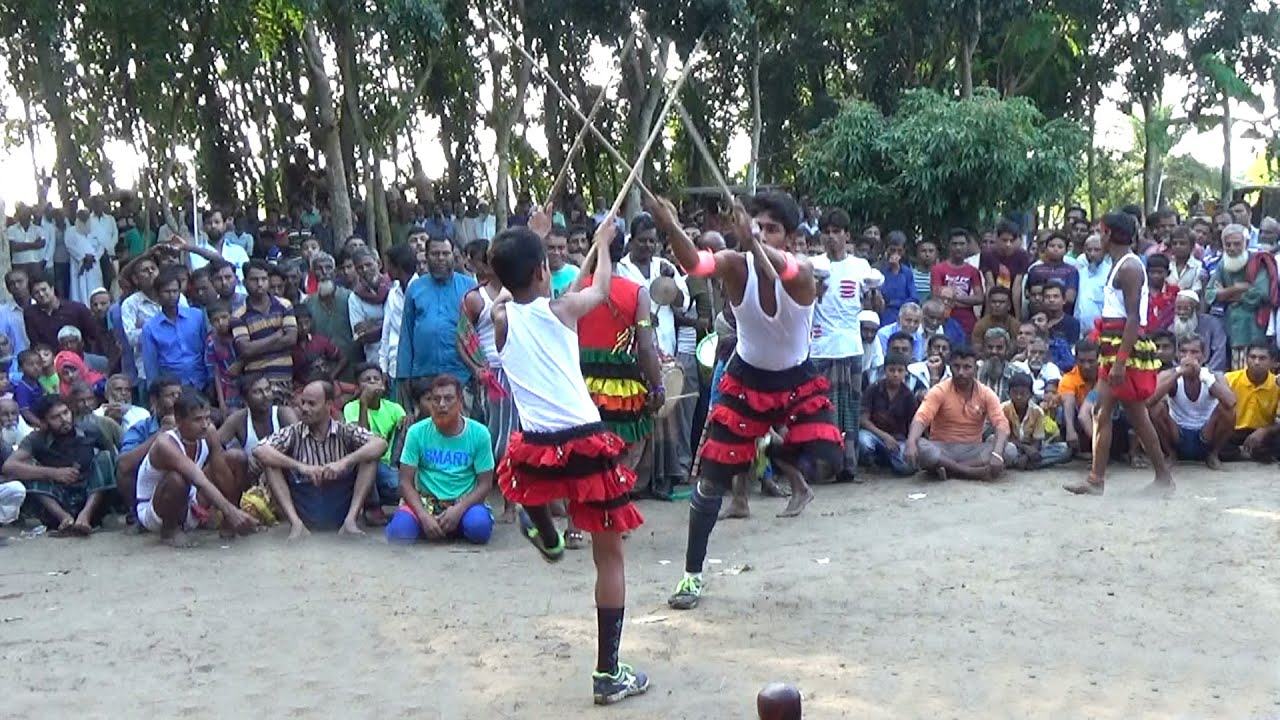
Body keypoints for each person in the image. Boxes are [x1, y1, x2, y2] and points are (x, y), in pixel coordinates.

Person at [489, 213, 650, 705]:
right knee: (610, 557)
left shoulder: (500, 320)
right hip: (584, 441)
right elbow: (601, 288)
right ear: (543, 270)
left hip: (536, 445)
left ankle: (546, 532)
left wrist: (532, 240)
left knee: (523, 479)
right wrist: (602, 244)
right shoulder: (563, 309)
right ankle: (608, 672)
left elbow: (504, 291)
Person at [657, 190, 842, 612]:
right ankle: (691, 576)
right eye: (757, 225)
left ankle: (765, 445)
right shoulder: (734, 265)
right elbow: (696, 265)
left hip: (796, 381)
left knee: (829, 458)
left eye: (771, 229)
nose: (760, 233)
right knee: (710, 484)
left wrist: (754, 241)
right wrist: (670, 226)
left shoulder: (803, 270)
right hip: (746, 378)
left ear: (789, 238)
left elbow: (783, 269)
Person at [1064, 212, 1172, 495]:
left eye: (1100, 231)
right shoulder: (1121, 264)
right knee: (1106, 412)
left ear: (1109, 233)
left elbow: (1134, 318)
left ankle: (1159, 478)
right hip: (1114, 347)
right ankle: (1098, 479)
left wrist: (1121, 362)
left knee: (1131, 414)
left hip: (1124, 350)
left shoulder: (1130, 267)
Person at [252, 380, 387, 540]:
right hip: (305, 506)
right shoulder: (293, 432)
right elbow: (260, 450)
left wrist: (344, 462)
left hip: (340, 505)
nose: (304, 408)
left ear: (328, 405)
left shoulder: (345, 431)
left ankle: (350, 521)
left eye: (311, 404)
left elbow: (380, 444)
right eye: (303, 402)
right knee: (271, 463)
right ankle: (296, 524)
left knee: (369, 458)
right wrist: (301, 467)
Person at [809, 208, 883, 481]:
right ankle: (823, 466)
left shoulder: (861, 267)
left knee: (850, 407)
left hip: (851, 345)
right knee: (821, 407)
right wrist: (814, 291)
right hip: (820, 347)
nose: (831, 237)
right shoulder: (812, 265)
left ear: (846, 235)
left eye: (836, 232)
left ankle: (848, 466)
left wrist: (874, 295)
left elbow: (875, 306)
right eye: (826, 232)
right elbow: (802, 303)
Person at [134, 389, 258, 546]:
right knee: (177, 478)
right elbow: (198, 478)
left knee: (236, 458)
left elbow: (220, 473)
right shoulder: (164, 444)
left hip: (190, 499)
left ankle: (229, 525)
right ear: (178, 420)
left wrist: (232, 511)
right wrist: (230, 511)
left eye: (207, 418)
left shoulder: (209, 432)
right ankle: (169, 532)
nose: (205, 425)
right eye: (198, 419)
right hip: (155, 513)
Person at [385, 374, 494, 545]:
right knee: (399, 533)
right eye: (436, 399)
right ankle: (437, 526)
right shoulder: (416, 432)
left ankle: (452, 525)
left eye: (448, 399)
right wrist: (423, 516)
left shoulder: (479, 433)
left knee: (478, 528)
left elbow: (485, 484)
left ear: (460, 402)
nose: (442, 404)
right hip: (426, 502)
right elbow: (405, 482)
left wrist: (458, 510)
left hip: (464, 503)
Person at [3, 394, 116, 535]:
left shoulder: (90, 430)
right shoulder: (36, 439)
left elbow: (114, 459)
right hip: (57, 498)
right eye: (56, 417)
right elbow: (9, 466)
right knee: (30, 469)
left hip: (89, 495)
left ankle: (85, 517)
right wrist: (53, 473)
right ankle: (64, 518)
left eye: (65, 413)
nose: (64, 419)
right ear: (44, 422)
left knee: (105, 457)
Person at [905, 348, 1015, 480]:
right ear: (950, 368)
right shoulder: (939, 390)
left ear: (976, 369)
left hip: (973, 450)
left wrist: (996, 454)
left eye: (967, 367)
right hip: (942, 448)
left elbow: (1001, 424)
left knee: (1009, 449)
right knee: (920, 445)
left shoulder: (986, 394)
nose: (961, 372)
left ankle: (949, 470)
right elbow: (921, 417)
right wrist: (911, 442)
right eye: (956, 367)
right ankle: (971, 472)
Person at [397, 237, 477, 391]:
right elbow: (406, 334)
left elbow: (478, 330)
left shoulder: (469, 286)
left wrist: (477, 370)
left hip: (461, 375)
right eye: (435, 254)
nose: (441, 258)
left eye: (445, 253)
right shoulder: (415, 288)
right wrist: (404, 375)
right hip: (423, 376)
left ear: (453, 255)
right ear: (426, 256)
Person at [1148, 336, 1236, 470]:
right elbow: (1150, 401)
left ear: (1204, 356)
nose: (1188, 357)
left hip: (1206, 432)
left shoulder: (1215, 375)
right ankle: (1170, 454)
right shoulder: (1168, 374)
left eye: (1194, 352)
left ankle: (1213, 455)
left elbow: (1231, 402)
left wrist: (1204, 377)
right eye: (1183, 352)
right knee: (1157, 408)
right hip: (1177, 433)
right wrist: (1178, 374)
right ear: (1177, 355)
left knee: (1228, 411)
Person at [342, 363, 406, 520]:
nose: (372, 382)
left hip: (388, 466)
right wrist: (363, 404)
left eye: (376, 379)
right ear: (358, 387)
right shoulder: (351, 407)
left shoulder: (395, 408)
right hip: (362, 465)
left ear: (383, 383)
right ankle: (372, 507)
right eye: (367, 380)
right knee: (368, 457)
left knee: (396, 485)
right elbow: (361, 439)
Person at [1205, 224, 1270, 369]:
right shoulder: (1223, 264)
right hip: (1230, 327)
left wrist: (1225, 293)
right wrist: (1236, 288)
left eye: (1237, 244)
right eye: (1228, 245)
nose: (1232, 248)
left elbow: (1261, 293)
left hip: (1253, 326)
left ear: (1247, 243)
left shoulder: (1258, 261)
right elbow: (1209, 294)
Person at [232, 260, 297, 402]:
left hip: (283, 379)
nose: (260, 284)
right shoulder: (238, 316)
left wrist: (256, 345)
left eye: (264, 279)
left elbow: (291, 339)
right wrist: (276, 336)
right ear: (245, 282)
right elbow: (246, 350)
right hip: (255, 383)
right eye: (254, 280)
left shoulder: (284, 305)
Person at [141, 265, 210, 392]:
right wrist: (155, 393)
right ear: (157, 295)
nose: (172, 295)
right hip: (172, 388)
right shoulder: (150, 328)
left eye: (175, 291)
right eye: (167, 292)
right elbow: (151, 366)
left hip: (201, 382)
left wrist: (211, 380)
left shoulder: (197, 316)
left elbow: (207, 350)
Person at [858, 352, 918, 475]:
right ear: (885, 371)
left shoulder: (908, 395)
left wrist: (910, 443)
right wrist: (885, 436)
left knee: (906, 467)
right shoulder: (873, 389)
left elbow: (914, 423)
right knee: (862, 441)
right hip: (875, 436)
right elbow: (863, 419)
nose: (896, 374)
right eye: (892, 370)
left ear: (906, 373)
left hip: (898, 440)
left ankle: (887, 461)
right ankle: (872, 462)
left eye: (900, 370)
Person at [24, 272, 108, 358]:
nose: (41, 294)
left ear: (52, 288)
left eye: (44, 289)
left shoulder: (77, 309)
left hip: (78, 360)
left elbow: (94, 336)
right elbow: (35, 343)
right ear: (32, 296)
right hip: (48, 361)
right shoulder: (30, 314)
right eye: (36, 292)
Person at [304, 252, 359, 380]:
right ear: (313, 273)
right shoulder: (308, 303)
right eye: (319, 268)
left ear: (335, 271)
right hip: (323, 371)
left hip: (353, 366)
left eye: (328, 267)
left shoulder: (350, 298)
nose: (324, 272)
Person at [1223, 342, 1280, 462]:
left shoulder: (1277, 384)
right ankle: (1251, 454)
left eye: (1262, 358)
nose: (1256, 362)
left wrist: (1264, 431)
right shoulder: (1229, 379)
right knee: (1215, 442)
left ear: (1272, 362)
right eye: (1252, 357)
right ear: (1246, 359)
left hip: (1262, 432)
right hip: (1233, 431)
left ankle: (1246, 453)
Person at [1003, 372, 1070, 469]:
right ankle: (1026, 463)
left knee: (1064, 449)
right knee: (1005, 448)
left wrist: (1029, 454)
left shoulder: (1037, 412)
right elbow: (1005, 437)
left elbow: (1037, 440)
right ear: (1008, 393)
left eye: (1023, 393)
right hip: (1013, 447)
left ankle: (1023, 462)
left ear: (1031, 394)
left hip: (1031, 447)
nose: (1018, 397)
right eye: (1014, 393)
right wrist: (1025, 448)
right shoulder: (1003, 409)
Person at [931, 228, 985, 336]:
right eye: (954, 244)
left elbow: (979, 298)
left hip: (968, 322)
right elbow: (937, 296)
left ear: (968, 245)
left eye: (962, 244)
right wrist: (966, 301)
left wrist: (953, 298)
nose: (958, 247)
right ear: (948, 246)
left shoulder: (973, 271)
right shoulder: (938, 269)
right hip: (944, 321)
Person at [379, 243, 418, 381]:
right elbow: (386, 330)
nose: (386, 270)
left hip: (418, 367)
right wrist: (383, 367)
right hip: (394, 367)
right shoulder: (393, 293)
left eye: (389, 265)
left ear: (398, 267)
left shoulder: (421, 291)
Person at [981, 220, 1034, 317]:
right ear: (996, 238)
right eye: (1004, 240)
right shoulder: (987, 255)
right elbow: (990, 284)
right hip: (993, 301)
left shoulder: (1022, 256)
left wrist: (1017, 316)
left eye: (1011, 241)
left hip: (1011, 302)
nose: (1008, 244)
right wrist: (987, 315)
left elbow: (1017, 287)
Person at [1171, 290, 1227, 372]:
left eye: (1186, 309)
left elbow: (1219, 353)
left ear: (1196, 309)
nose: (1182, 312)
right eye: (1178, 308)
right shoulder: (1172, 328)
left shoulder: (1212, 323)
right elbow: (1171, 356)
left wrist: (1206, 372)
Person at [347, 249, 385, 365]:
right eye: (360, 268)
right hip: (375, 359)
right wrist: (387, 324)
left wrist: (372, 325)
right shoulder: (355, 297)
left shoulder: (393, 286)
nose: (364, 270)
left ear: (379, 264)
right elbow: (361, 335)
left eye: (369, 265)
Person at [970, 286, 1020, 355]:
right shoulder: (980, 325)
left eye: (1002, 302)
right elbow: (977, 350)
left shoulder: (1016, 325)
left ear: (1009, 305)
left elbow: (1018, 348)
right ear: (989, 304)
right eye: (994, 302)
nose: (997, 305)